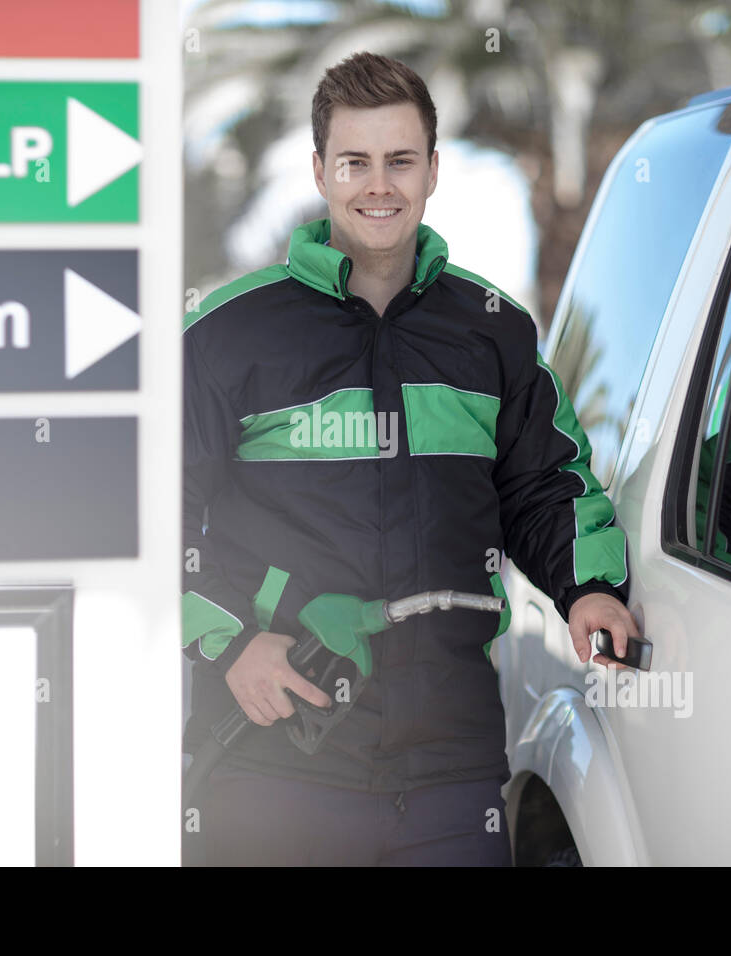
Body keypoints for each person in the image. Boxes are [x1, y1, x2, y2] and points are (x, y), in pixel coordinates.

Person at [182, 51, 638, 866]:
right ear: (320, 171)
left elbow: (545, 484)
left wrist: (590, 588)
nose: (378, 185)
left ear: (433, 170)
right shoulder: (229, 334)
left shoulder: (491, 331)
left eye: (400, 161)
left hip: (450, 770)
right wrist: (227, 645)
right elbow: (143, 516)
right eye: (354, 163)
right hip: (275, 762)